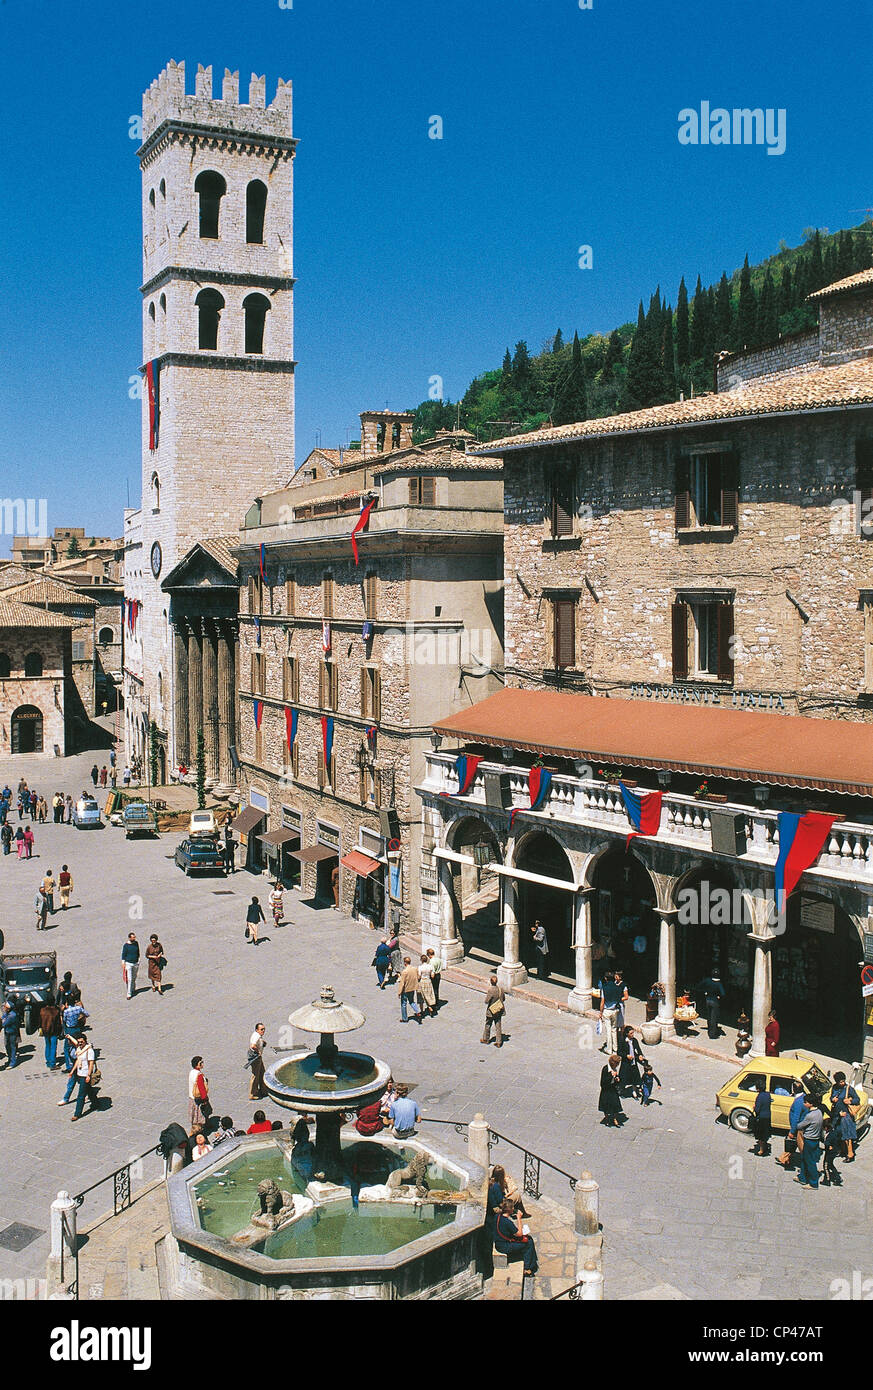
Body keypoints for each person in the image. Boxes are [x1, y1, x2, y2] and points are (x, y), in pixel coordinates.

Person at [494, 1198, 538, 1274]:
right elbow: (520, 1233)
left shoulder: (497, 1216)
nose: (514, 1209)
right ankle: (528, 1268)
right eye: (512, 1207)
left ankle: (530, 1262)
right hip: (504, 1246)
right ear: (509, 1210)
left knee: (528, 1240)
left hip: (499, 1242)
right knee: (529, 1242)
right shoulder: (507, 1222)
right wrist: (519, 1218)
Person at [58, 1034, 96, 1121]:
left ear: (86, 1041)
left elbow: (91, 1064)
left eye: (82, 1042)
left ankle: (77, 1114)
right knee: (88, 1090)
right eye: (79, 1042)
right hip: (79, 1073)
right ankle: (95, 1103)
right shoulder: (79, 1049)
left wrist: (89, 1075)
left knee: (81, 1095)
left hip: (85, 1074)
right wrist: (72, 1071)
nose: (80, 1043)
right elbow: (78, 1060)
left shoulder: (89, 1051)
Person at [829, 1072, 860, 1163]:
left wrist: (849, 1101)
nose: (842, 1083)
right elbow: (831, 1097)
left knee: (847, 1136)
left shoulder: (849, 1089)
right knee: (839, 1134)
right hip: (837, 1115)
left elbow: (857, 1100)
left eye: (843, 1081)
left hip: (845, 1116)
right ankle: (842, 1151)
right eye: (840, 1082)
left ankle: (850, 1154)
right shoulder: (834, 1087)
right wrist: (832, 1099)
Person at [794, 1094, 823, 1190]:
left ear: (810, 1104)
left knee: (810, 1162)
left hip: (809, 1139)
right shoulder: (819, 1112)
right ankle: (803, 1177)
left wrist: (796, 1125)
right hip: (815, 1139)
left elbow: (800, 1126)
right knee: (805, 1158)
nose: (804, 1104)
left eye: (805, 1102)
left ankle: (813, 1183)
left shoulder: (810, 1115)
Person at [775, 1080, 806, 1170]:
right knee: (793, 1144)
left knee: (798, 1145)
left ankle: (803, 1165)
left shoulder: (798, 1102)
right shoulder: (803, 1097)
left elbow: (796, 1117)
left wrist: (792, 1131)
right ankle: (784, 1158)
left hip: (798, 1127)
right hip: (801, 1126)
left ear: (794, 1090)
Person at [598, 970, 627, 1056]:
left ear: (606, 978)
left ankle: (609, 1049)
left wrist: (600, 1012)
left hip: (607, 1011)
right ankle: (615, 1049)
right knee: (614, 1030)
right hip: (615, 1010)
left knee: (608, 1030)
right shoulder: (618, 987)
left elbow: (602, 1001)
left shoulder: (604, 988)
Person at [62, 994, 88, 1071]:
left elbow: (64, 1020)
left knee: (67, 1048)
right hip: (77, 1028)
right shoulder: (78, 1008)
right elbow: (87, 1014)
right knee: (78, 1045)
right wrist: (79, 1018)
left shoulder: (66, 1011)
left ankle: (69, 1066)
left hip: (69, 1029)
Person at [598, 1054, 623, 1127]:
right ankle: (607, 1118)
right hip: (606, 1090)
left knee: (615, 1104)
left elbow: (616, 1079)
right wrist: (611, 1076)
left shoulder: (614, 1069)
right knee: (606, 1105)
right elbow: (602, 1082)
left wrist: (617, 1079)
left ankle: (615, 1118)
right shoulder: (605, 1069)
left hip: (612, 1089)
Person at [699, 971, 726, 1039]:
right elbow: (723, 993)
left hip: (707, 1000)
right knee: (714, 1017)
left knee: (709, 1016)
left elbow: (700, 985)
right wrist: (719, 996)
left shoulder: (708, 980)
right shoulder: (719, 984)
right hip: (715, 1001)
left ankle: (709, 1029)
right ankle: (712, 1034)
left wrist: (705, 991)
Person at [618, 1026, 644, 1096]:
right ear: (627, 1034)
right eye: (631, 1033)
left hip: (633, 1062)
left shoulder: (634, 1040)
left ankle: (634, 1091)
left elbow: (638, 1050)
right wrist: (626, 1056)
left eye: (633, 1033)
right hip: (626, 1063)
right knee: (624, 1077)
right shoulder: (622, 1041)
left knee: (634, 1077)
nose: (633, 1034)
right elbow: (619, 1052)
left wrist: (640, 1055)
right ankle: (621, 1090)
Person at [481, 975, 506, 1047]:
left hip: (491, 1011)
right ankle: (499, 1041)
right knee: (498, 1025)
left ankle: (486, 1039)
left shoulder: (491, 990)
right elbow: (503, 999)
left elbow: (486, 1001)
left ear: (491, 982)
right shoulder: (501, 989)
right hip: (499, 1010)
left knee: (488, 1024)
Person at [39, 998, 63, 1070]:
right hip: (54, 1031)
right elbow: (58, 1023)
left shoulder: (42, 1010)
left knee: (47, 1045)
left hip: (45, 1031)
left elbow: (40, 1021)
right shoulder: (56, 1011)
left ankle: (48, 1061)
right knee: (53, 1047)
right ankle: (52, 1064)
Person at [397, 957, 422, 1024]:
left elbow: (402, 983)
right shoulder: (415, 969)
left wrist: (399, 992)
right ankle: (418, 1011)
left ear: (405, 963)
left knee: (403, 1004)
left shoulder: (404, 972)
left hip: (406, 989)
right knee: (412, 1001)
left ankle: (405, 1018)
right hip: (413, 988)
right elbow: (418, 977)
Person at [188, 1056, 211, 1128]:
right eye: (201, 1063)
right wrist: (205, 1100)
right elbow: (201, 1089)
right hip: (199, 1099)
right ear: (198, 1064)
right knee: (200, 1116)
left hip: (192, 1097)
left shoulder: (191, 1072)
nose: (203, 1064)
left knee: (193, 1115)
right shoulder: (199, 1075)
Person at [751, 1080, 772, 1157]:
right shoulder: (768, 1094)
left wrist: (754, 1107)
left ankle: (761, 1150)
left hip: (761, 1118)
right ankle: (765, 1146)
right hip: (768, 1116)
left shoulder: (759, 1097)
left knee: (760, 1135)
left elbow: (757, 1109)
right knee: (765, 1133)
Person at [247, 1022, 268, 1100]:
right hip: (256, 1057)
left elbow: (258, 1041)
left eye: (264, 1029)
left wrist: (263, 1042)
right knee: (255, 1075)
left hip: (258, 1057)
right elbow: (252, 1045)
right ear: (257, 1030)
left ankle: (264, 1090)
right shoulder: (256, 1036)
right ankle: (252, 1094)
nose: (263, 1031)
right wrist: (258, 1051)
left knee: (262, 1072)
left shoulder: (257, 1035)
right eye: (261, 1029)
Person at [821, 1117, 843, 1187]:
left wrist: (828, 1145)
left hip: (830, 1152)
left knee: (826, 1166)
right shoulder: (834, 1132)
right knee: (831, 1165)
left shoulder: (829, 1135)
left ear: (826, 1128)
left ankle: (827, 1180)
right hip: (834, 1151)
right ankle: (837, 1178)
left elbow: (827, 1142)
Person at [1, 999, 20, 1069]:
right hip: (7, 1032)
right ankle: (10, 1059)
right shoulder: (7, 1014)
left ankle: (12, 1062)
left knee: (12, 1047)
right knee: (7, 1046)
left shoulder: (12, 1015)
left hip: (12, 1033)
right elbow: (3, 1018)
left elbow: (4, 1023)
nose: (4, 1008)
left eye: (5, 1007)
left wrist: (3, 1020)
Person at [417, 953, 436, 1018]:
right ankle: (430, 1006)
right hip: (428, 981)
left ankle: (422, 1011)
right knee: (429, 994)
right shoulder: (430, 966)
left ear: (421, 960)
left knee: (421, 996)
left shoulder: (420, 967)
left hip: (422, 981)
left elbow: (419, 977)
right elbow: (432, 976)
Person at [121, 932, 140, 998]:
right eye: (133, 937)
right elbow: (123, 954)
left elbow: (138, 952)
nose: (134, 938)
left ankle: (133, 988)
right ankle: (129, 993)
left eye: (134, 937)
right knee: (129, 978)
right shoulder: (126, 945)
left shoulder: (136, 943)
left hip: (136, 963)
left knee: (134, 977)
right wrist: (123, 963)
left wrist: (139, 959)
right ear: (129, 938)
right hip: (128, 963)